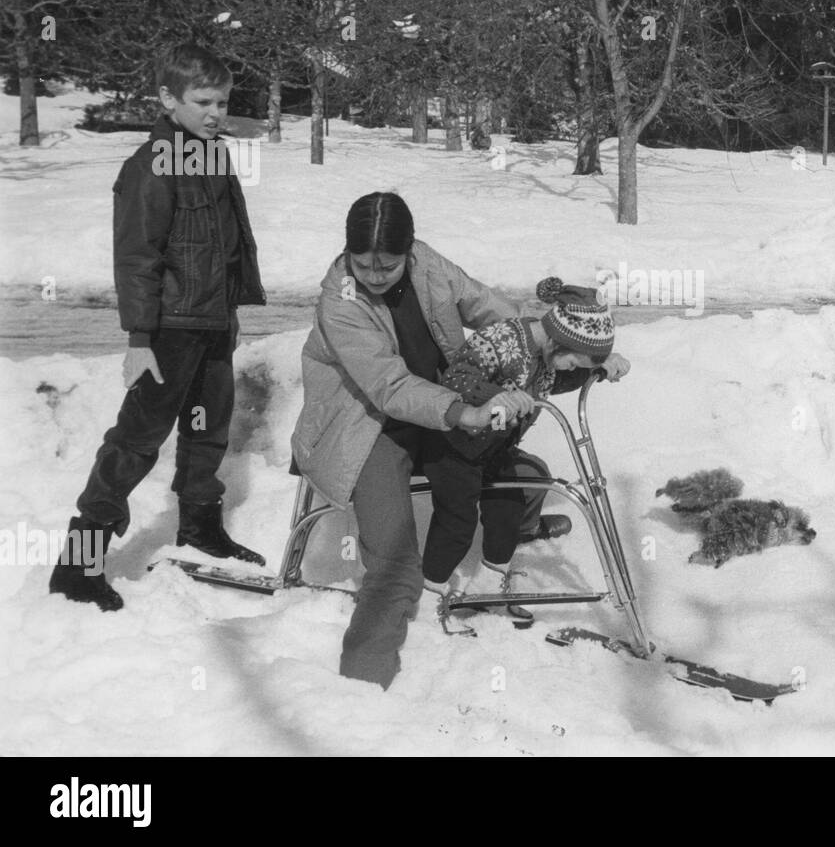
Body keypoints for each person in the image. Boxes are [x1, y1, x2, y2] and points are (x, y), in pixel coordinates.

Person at [290, 193, 571, 689]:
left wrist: (560, 344)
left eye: (389, 264)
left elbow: (496, 315)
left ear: (410, 249)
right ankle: (362, 685)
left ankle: (511, 535)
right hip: (368, 424)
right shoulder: (340, 301)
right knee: (396, 565)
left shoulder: (428, 266)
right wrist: (465, 412)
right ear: (347, 253)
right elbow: (390, 387)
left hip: (441, 407)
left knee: (526, 476)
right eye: (364, 264)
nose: (376, 275)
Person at [49, 44, 267, 612]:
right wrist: (139, 340)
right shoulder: (148, 167)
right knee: (138, 439)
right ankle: (79, 564)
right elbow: (137, 259)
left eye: (223, 101)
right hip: (168, 330)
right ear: (168, 99)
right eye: (203, 102)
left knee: (207, 429)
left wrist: (231, 311)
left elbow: (223, 245)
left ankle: (198, 527)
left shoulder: (213, 158)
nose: (216, 112)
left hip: (214, 323)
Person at [423, 277, 631, 630]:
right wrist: (493, 396)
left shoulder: (550, 354)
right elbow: (455, 380)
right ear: (558, 341)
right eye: (573, 363)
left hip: (494, 446)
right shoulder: (501, 340)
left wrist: (599, 366)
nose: (571, 371)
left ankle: (490, 585)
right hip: (453, 445)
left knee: (509, 505)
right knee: (457, 521)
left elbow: (557, 379)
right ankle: (429, 596)